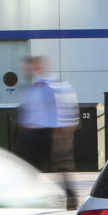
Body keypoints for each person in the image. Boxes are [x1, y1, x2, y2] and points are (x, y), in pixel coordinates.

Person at [17, 56, 79, 206]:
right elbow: (29, 113)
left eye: (32, 67)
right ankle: (30, 198)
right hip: (35, 132)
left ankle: (70, 197)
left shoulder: (58, 86)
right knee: (31, 167)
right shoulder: (30, 90)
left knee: (62, 167)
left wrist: (65, 131)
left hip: (54, 132)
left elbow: (69, 110)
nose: (29, 70)